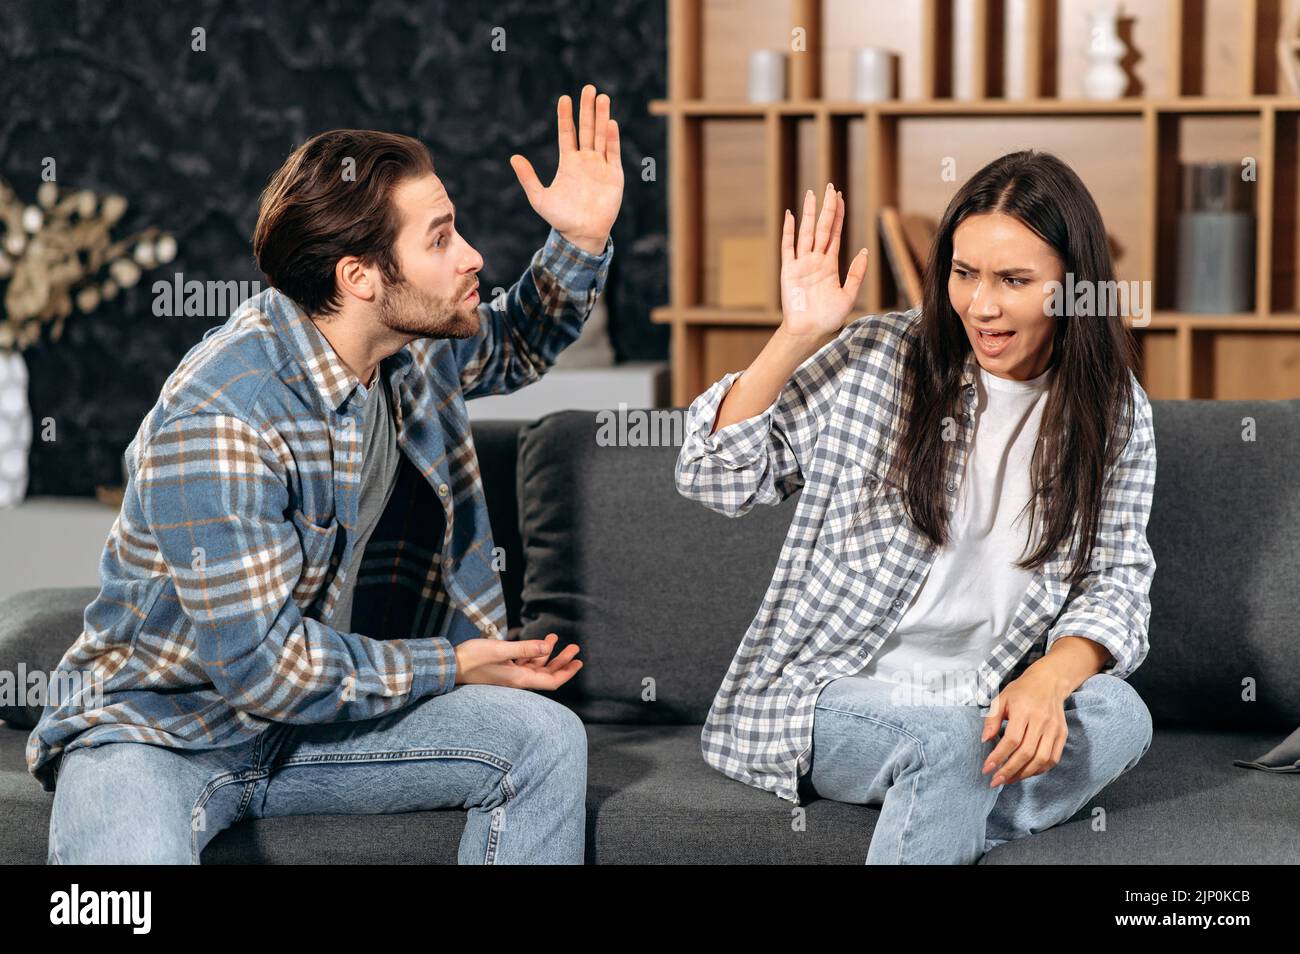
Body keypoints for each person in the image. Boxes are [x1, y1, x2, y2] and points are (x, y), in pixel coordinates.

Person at [29, 84, 624, 864]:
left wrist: (579, 239)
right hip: (162, 734)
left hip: (313, 729)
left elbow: (512, 342)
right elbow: (262, 669)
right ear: (360, 277)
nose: (473, 255)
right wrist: (452, 664)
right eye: (441, 239)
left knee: (544, 738)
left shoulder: (405, 346)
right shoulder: (225, 415)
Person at [675, 150, 1156, 864]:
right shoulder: (880, 356)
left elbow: (1115, 579)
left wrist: (1048, 678)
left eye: (1014, 280)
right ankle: (941, 790)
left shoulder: (1114, 410)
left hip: (985, 700)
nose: (981, 306)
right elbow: (713, 476)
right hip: (837, 696)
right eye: (965, 274)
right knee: (948, 743)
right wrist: (797, 334)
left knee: (1121, 713)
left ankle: (934, 804)